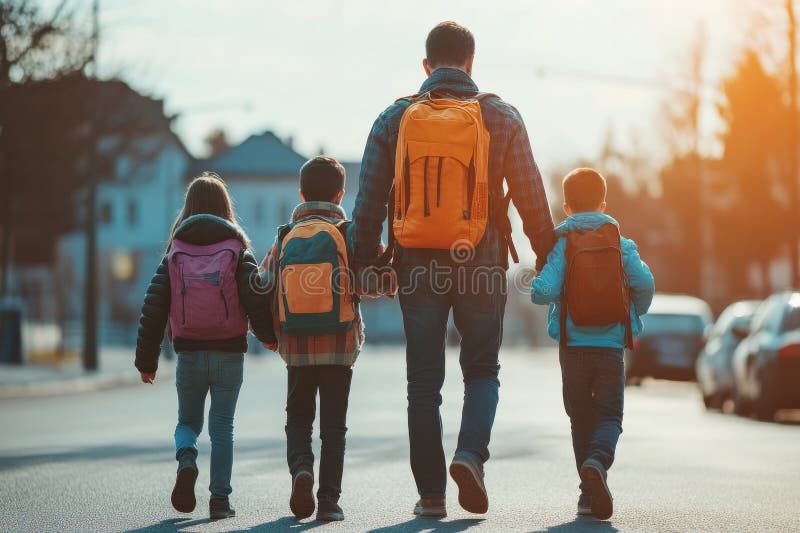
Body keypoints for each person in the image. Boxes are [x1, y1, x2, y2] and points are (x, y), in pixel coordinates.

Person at [351, 21, 556, 517]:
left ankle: (431, 496)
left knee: (423, 380)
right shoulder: (501, 117)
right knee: (482, 367)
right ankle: (470, 456)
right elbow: (531, 197)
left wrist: (363, 262)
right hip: (480, 261)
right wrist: (550, 256)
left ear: (426, 66)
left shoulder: (393, 119)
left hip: (415, 262)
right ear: (470, 63)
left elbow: (369, 202)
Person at [134, 173, 275, 520]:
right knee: (222, 426)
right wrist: (269, 335)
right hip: (229, 352)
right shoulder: (237, 248)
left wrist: (146, 361)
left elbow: (153, 308)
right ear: (225, 207)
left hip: (189, 352)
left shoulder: (175, 252)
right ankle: (219, 501)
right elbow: (254, 298)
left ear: (188, 208)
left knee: (188, 422)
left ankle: (187, 459)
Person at [262, 156, 391, 522]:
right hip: (340, 345)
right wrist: (389, 282)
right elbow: (370, 281)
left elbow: (264, 282)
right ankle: (329, 501)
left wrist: (269, 332)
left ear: (301, 193)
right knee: (335, 425)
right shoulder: (350, 232)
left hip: (297, 347)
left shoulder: (285, 235)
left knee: (298, 417)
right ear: (341, 193)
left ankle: (301, 469)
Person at [531, 168, 655, 520]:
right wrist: (631, 312)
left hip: (572, 348)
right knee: (610, 416)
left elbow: (542, 291)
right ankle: (597, 462)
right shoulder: (620, 242)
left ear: (567, 208)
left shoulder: (563, 244)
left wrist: (550, 289)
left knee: (579, 417)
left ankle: (587, 495)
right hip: (611, 346)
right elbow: (645, 283)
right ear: (603, 203)